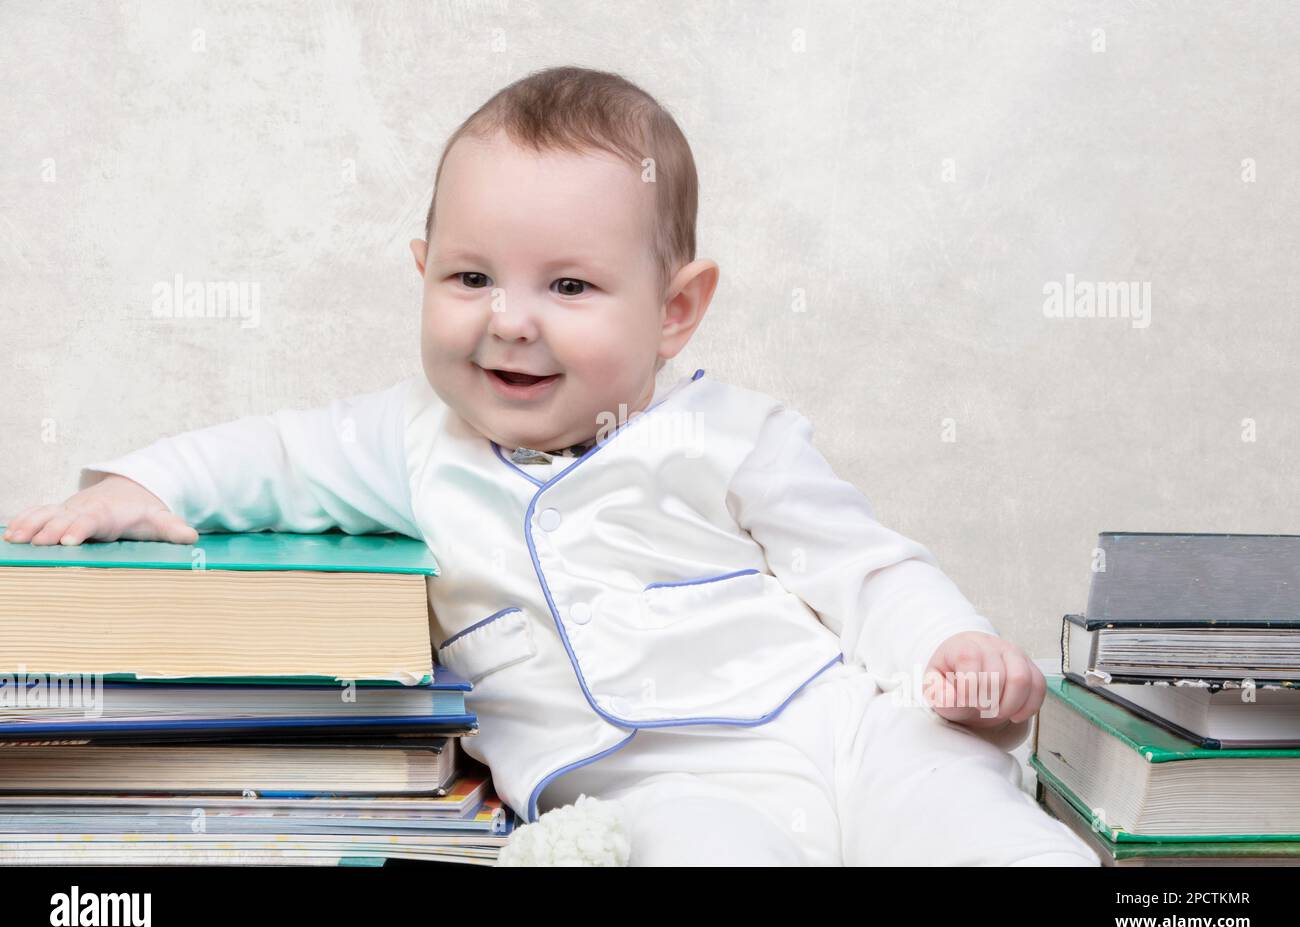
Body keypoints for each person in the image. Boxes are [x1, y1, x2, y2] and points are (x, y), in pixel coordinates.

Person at [3, 66, 1099, 866]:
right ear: (423, 270)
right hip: (649, 785)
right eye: (472, 277)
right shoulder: (409, 445)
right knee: (697, 855)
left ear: (674, 310)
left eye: (568, 287)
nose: (509, 323)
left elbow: (865, 565)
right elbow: (273, 455)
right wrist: (140, 486)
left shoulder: (728, 432)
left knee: (979, 833)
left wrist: (952, 646)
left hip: (848, 727)